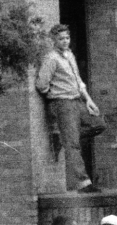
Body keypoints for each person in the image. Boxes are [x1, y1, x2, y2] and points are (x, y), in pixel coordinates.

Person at [34, 24, 99, 192]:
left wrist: (89, 100)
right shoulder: (51, 58)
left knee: (98, 124)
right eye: (61, 38)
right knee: (73, 145)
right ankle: (83, 183)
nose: (65, 41)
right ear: (54, 40)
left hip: (77, 100)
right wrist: (54, 93)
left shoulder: (69, 55)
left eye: (67, 38)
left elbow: (78, 80)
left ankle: (64, 137)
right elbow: (41, 84)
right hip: (63, 103)